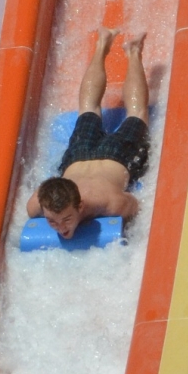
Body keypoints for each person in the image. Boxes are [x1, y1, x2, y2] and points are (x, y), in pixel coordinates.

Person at [28, 28, 149, 240]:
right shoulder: (37, 205)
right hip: (78, 155)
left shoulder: (111, 203)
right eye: (51, 220)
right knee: (88, 109)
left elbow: (135, 204)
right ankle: (102, 42)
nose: (59, 227)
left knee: (136, 113)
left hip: (116, 155)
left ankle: (133, 51)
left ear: (81, 206)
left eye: (66, 218)